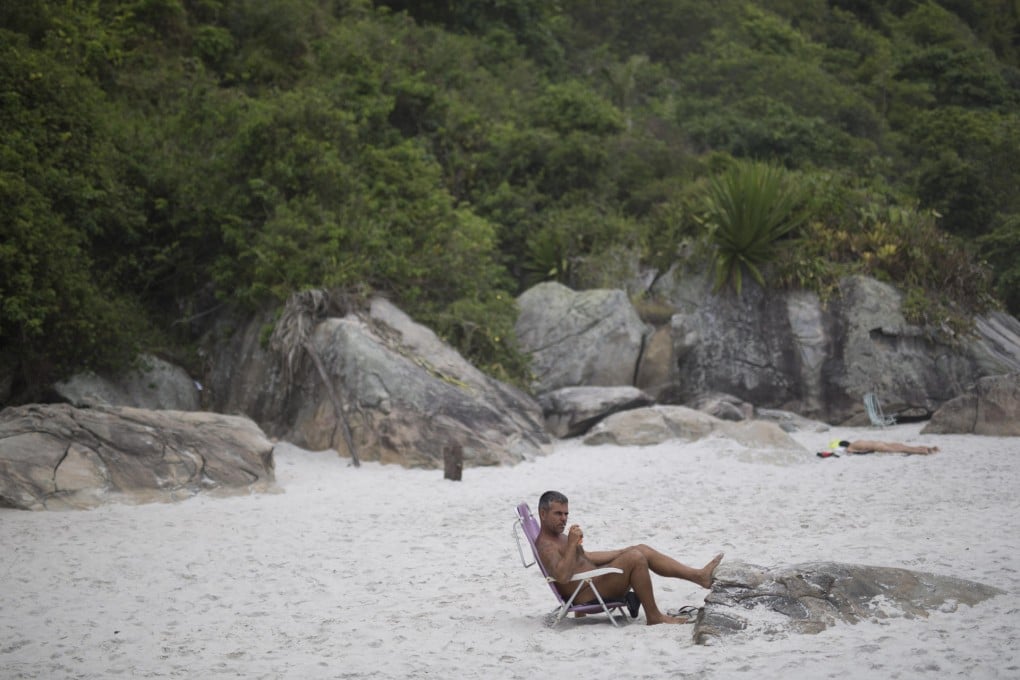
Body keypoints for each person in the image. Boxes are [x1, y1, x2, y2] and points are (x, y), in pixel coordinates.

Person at [534, 490, 723, 626]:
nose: (564, 518)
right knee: (635, 558)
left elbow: (587, 557)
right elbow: (563, 576)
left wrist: (620, 551)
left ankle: (698, 576)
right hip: (587, 591)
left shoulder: (560, 537)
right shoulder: (546, 544)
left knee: (639, 549)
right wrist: (572, 544)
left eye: (566, 513)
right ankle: (654, 616)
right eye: (558, 514)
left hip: (593, 581)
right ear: (543, 514)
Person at [838, 439, 940, 455]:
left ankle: (923, 452)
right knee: (905, 447)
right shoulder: (857, 441)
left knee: (902, 450)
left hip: (877, 446)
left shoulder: (850, 447)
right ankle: (930, 448)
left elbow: (859, 453)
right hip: (882, 442)